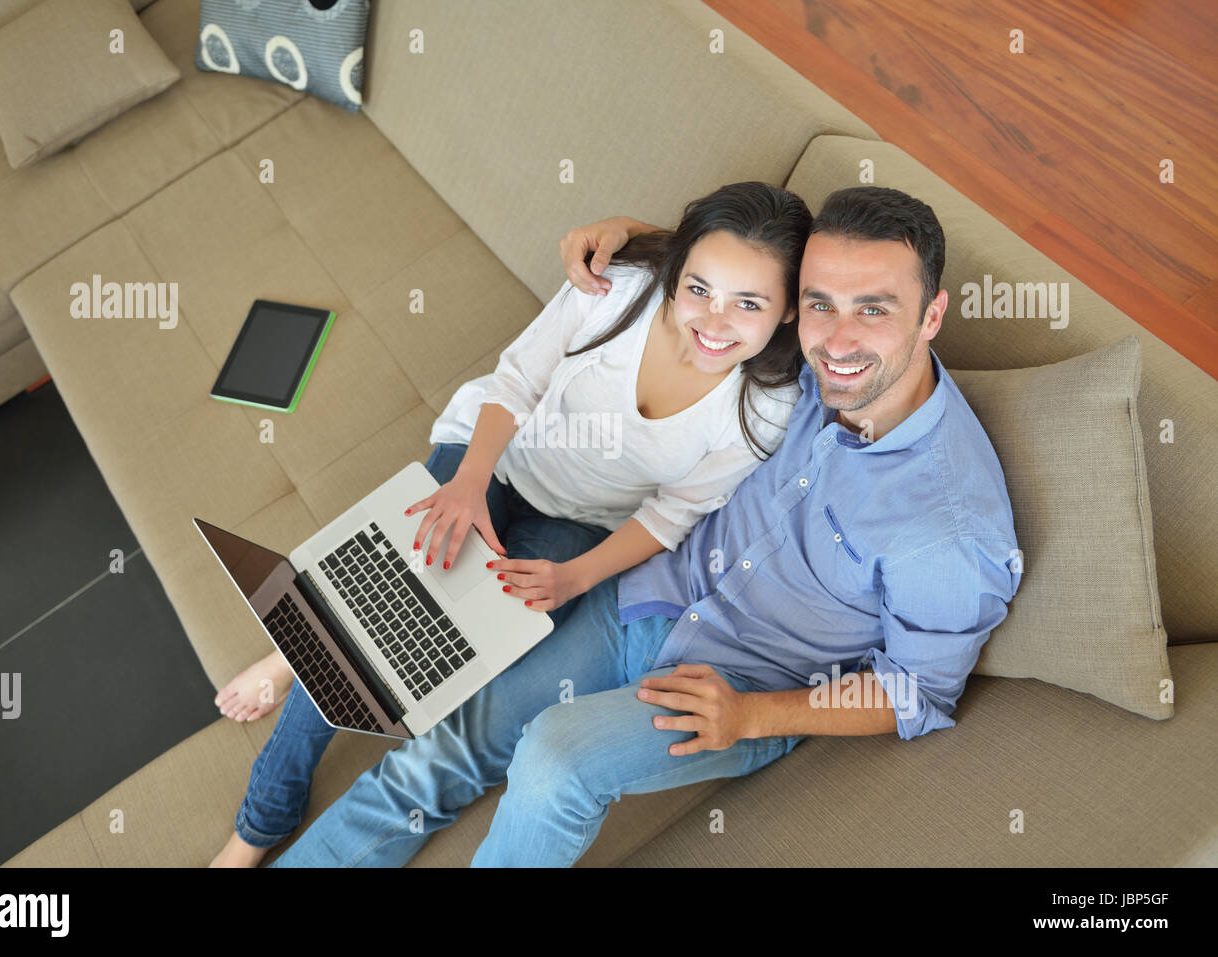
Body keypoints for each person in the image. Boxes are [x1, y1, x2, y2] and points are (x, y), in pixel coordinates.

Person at [254, 184, 1022, 868]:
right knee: (434, 755)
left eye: (874, 309)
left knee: (553, 760)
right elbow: (732, 279)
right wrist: (637, 237)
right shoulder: (805, 369)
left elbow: (918, 692)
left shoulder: (951, 528)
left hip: (739, 684)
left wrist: (752, 714)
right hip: (645, 599)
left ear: (932, 316)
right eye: (822, 302)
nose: (840, 337)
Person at [209, 181, 815, 866]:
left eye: (750, 303)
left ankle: (299, 640)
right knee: (367, 624)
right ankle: (258, 824)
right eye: (699, 289)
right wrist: (467, 483)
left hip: (578, 528)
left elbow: (671, 512)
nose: (714, 319)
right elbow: (517, 381)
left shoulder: (766, 407)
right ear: (677, 271)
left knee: (426, 639)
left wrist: (574, 577)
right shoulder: (618, 289)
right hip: (490, 459)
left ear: (790, 309)